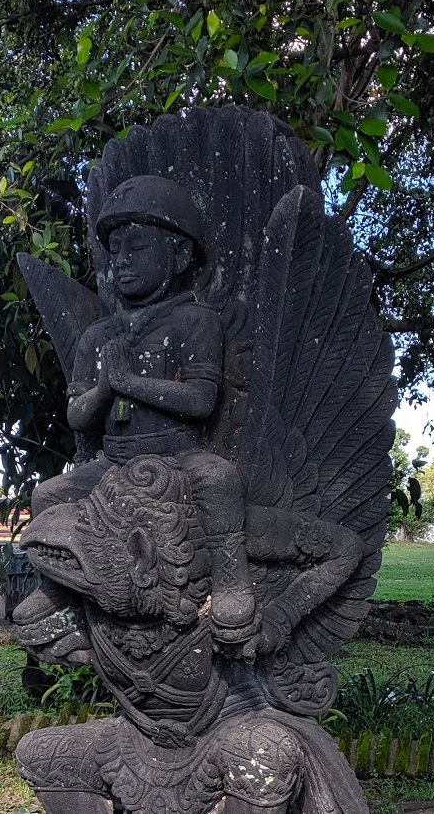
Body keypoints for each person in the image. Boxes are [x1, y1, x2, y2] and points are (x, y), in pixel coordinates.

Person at [19, 175, 257, 647]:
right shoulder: (98, 338)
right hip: (115, 461)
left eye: (138, 249)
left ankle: (233, 579)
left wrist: (130, 383)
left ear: (180, 256)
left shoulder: (195, 321)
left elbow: (201, 401)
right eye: (115, 252)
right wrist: (108, 389)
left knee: (220, 481)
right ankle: (60, 586)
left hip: (181, 454)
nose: (122, 263)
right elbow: (79, 416)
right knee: (48, 496)